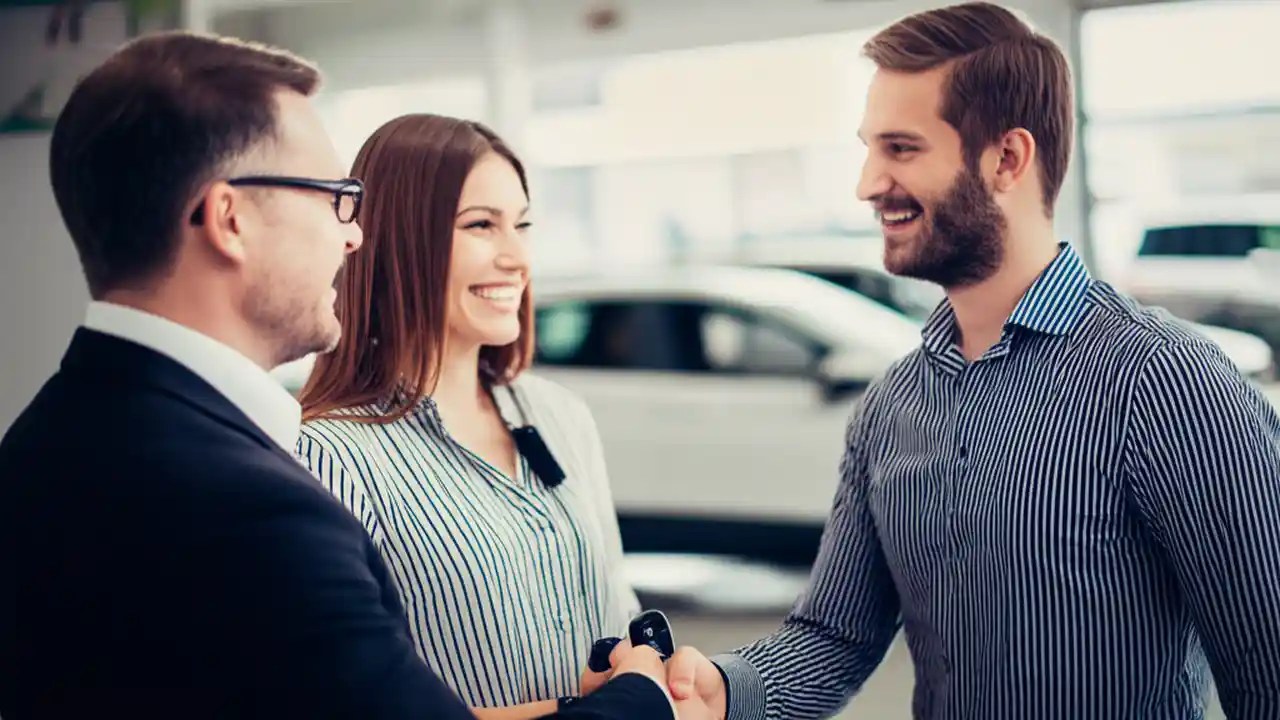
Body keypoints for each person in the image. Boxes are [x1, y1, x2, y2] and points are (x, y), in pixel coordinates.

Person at [599, 3, 1280, 719]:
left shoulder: (1165, 381)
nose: (867, 183)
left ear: (1007, 159)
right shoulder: (891, 405)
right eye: (870, 149)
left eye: (901, 149)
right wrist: (725, 688)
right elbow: (833, 638)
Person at [0, 30, 680, 720]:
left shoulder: (33, 451)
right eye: (333, 197)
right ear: (228, 219)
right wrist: (643, 697)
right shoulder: (268, 498)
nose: (353, 234)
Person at [294, 113, 640, 719]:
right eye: (481, 225)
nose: (516, 257)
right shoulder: (328, 458)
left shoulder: (558, 414)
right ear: (399, 239)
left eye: (522, 225)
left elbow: (621, 608)